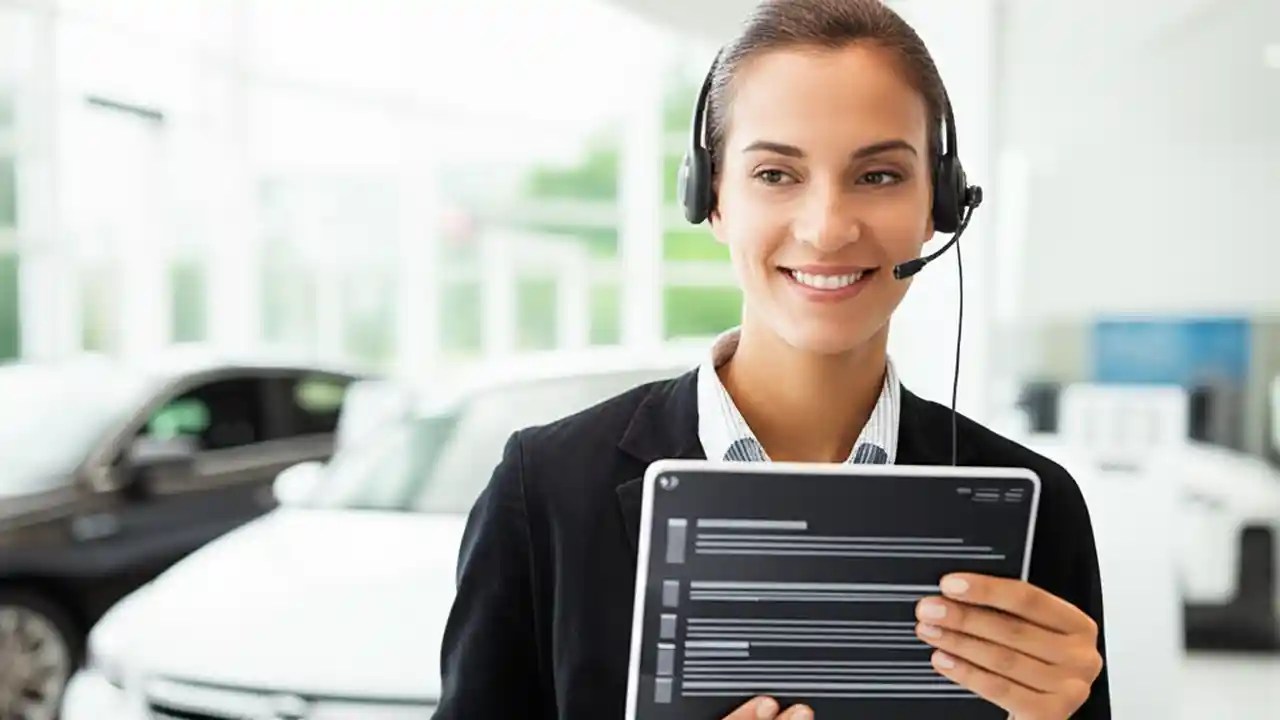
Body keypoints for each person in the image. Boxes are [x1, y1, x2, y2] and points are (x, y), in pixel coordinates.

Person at [433, 1, 1110, 718]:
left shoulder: (1036, 506)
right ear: (712, 198)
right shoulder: (546, 492)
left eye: (878, 175)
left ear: (938, 207)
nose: (826, 229)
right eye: (776, 175)